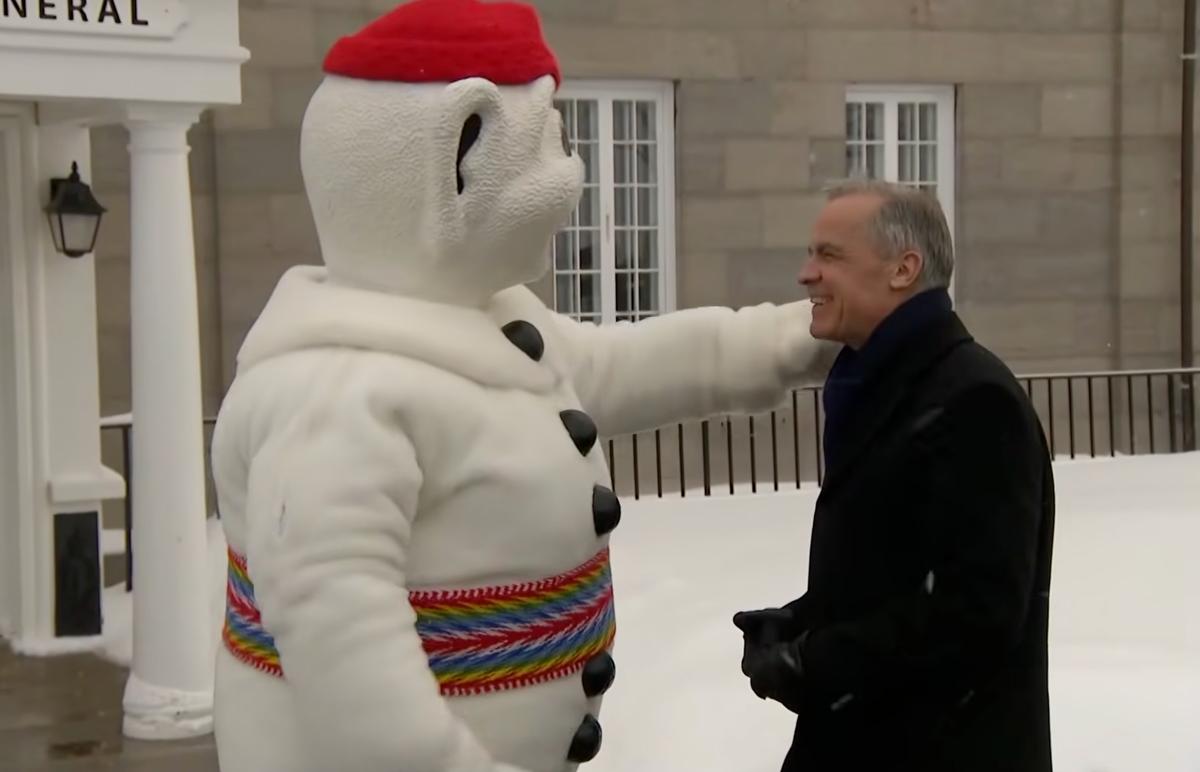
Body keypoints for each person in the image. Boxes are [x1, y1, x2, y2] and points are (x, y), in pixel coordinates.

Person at [733, 180, 1055, 772]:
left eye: (828, 255)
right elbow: (899, 576)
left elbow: (975, 615)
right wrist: (802, 622)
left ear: (904, 269)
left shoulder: (974, 399)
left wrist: (818, 662)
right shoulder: (877, 384)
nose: (806, 274)